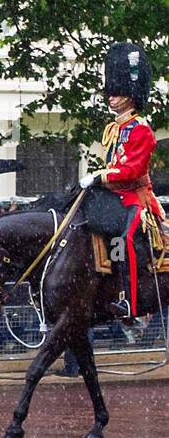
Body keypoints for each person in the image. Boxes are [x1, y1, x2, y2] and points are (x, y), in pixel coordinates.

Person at [79, 41, 164, 318]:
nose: (111, 98)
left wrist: (99, 176)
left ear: (129, 96)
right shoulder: (113, 129)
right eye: (110, 93)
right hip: (115, 196)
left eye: (116, 93)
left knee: (125, 239)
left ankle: (131, 302)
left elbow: (132, 171)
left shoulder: (142, 130)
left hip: (137, 199)